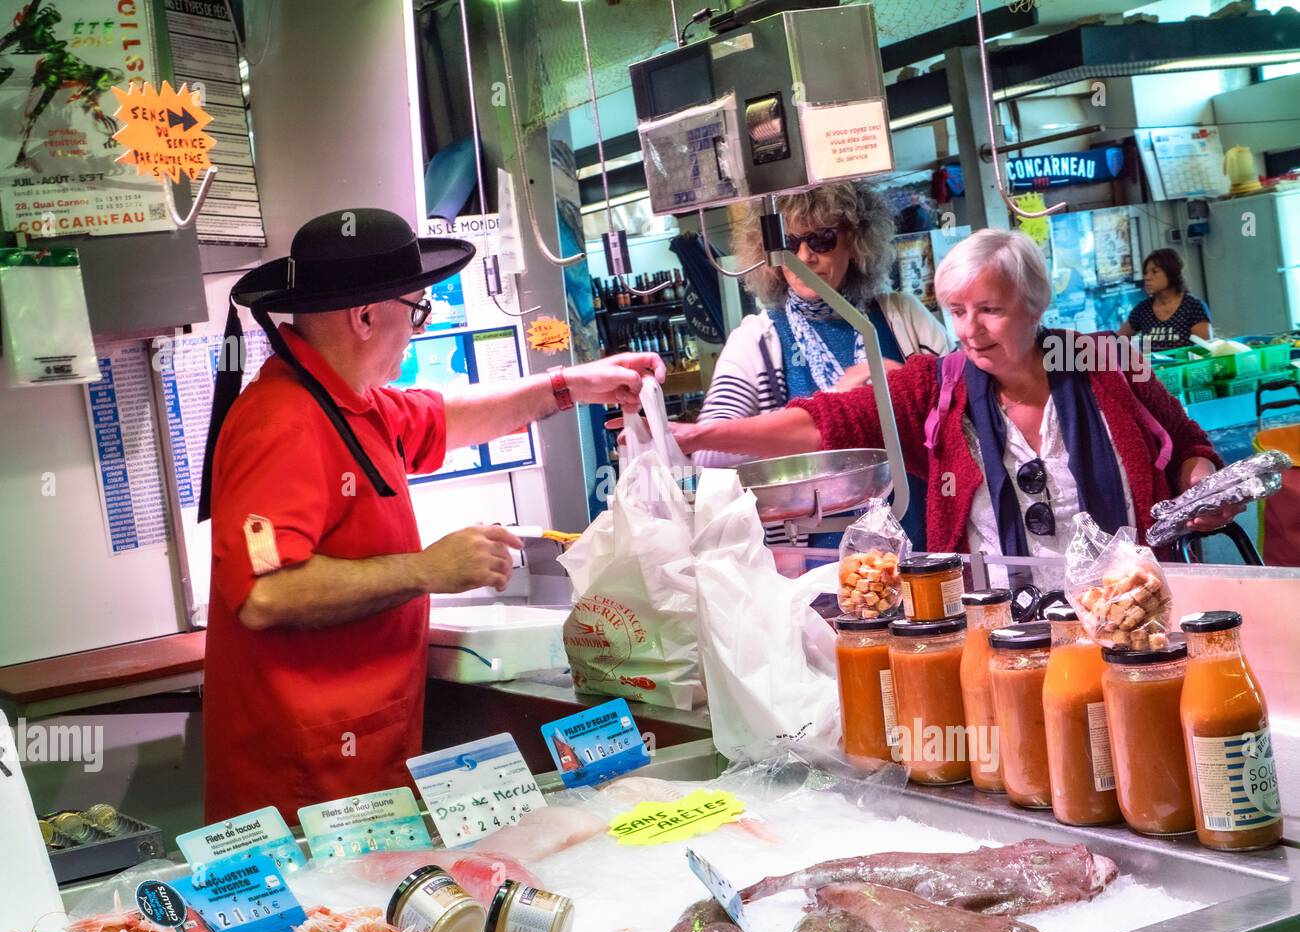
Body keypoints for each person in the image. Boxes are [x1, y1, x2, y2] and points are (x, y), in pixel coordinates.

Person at [200, 208, 663, 823]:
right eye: (417, 309)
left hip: (358, 757)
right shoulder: (281, 423)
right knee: (332, 925)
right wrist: (425, 569)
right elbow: (264, 592)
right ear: (365, 316)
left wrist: (566, 386)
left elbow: (448, 416)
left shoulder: (351, 404)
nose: (420, 327)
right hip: (303, 782)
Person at [673, 228, 1242, 559]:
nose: (969, 331)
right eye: (958, 312)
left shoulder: (1101, 361)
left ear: (1034, 304)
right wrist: (699, 436)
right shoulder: (939, 386)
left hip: (1131, 611)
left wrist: (1199, 483)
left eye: (990, 310)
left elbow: (1188, 443)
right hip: (1005, 627)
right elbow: (829, 422)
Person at [693, 181, 948, 543]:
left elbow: (966, 417)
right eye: (788, 243)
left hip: (924, 546)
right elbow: (708, 456)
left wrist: (911, 388)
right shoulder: (757, 340)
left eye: (822, 239)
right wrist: (825, 410)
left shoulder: (903, 318)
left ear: (856, 240)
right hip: (815, 566)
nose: (805, 257)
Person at [1119, 248, 1212, 352]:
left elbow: (1206, 352)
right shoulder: (1142, 309)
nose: (1147, 277)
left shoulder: (1193, 307)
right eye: (1145, 273)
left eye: (1155, 272)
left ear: (1171, 273)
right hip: (1151, 368)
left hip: (1184, 367)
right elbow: (1117, 340)